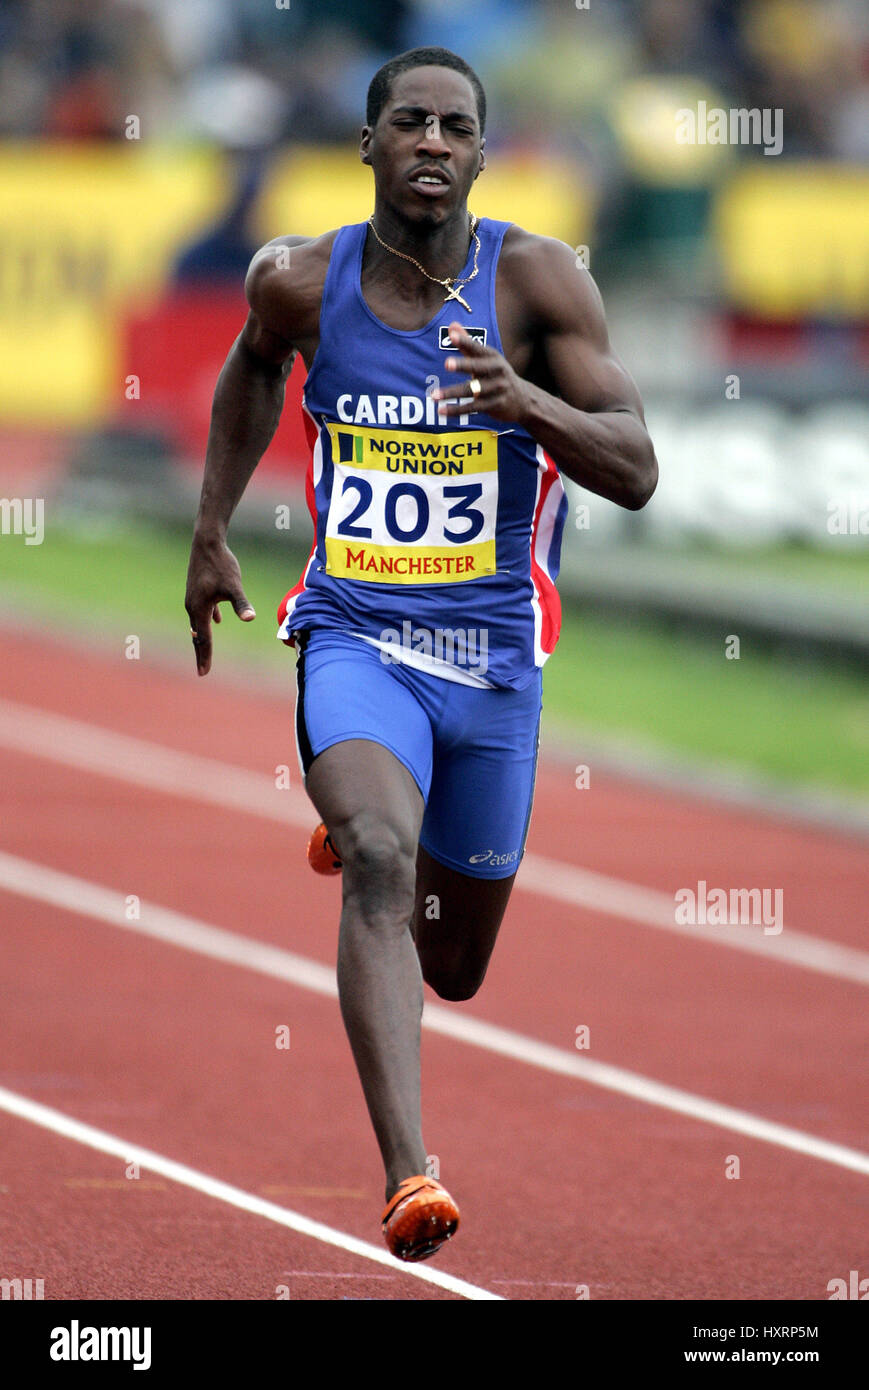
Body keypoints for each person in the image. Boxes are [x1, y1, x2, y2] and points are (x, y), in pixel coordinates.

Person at [185, 46, 658, 1264]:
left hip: (492, 660)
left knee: (452, 963)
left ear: (483, 153)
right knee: (380, 864)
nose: (433, 142)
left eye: (456, 125)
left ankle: (368, 807)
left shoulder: (540, 285)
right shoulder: (296, 280)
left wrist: (526, 405)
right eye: (410, 122)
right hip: (357, 631)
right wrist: (209, 534)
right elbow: (250, 369)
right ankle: (408, 1174)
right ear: (370, 145)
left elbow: (636, 469)